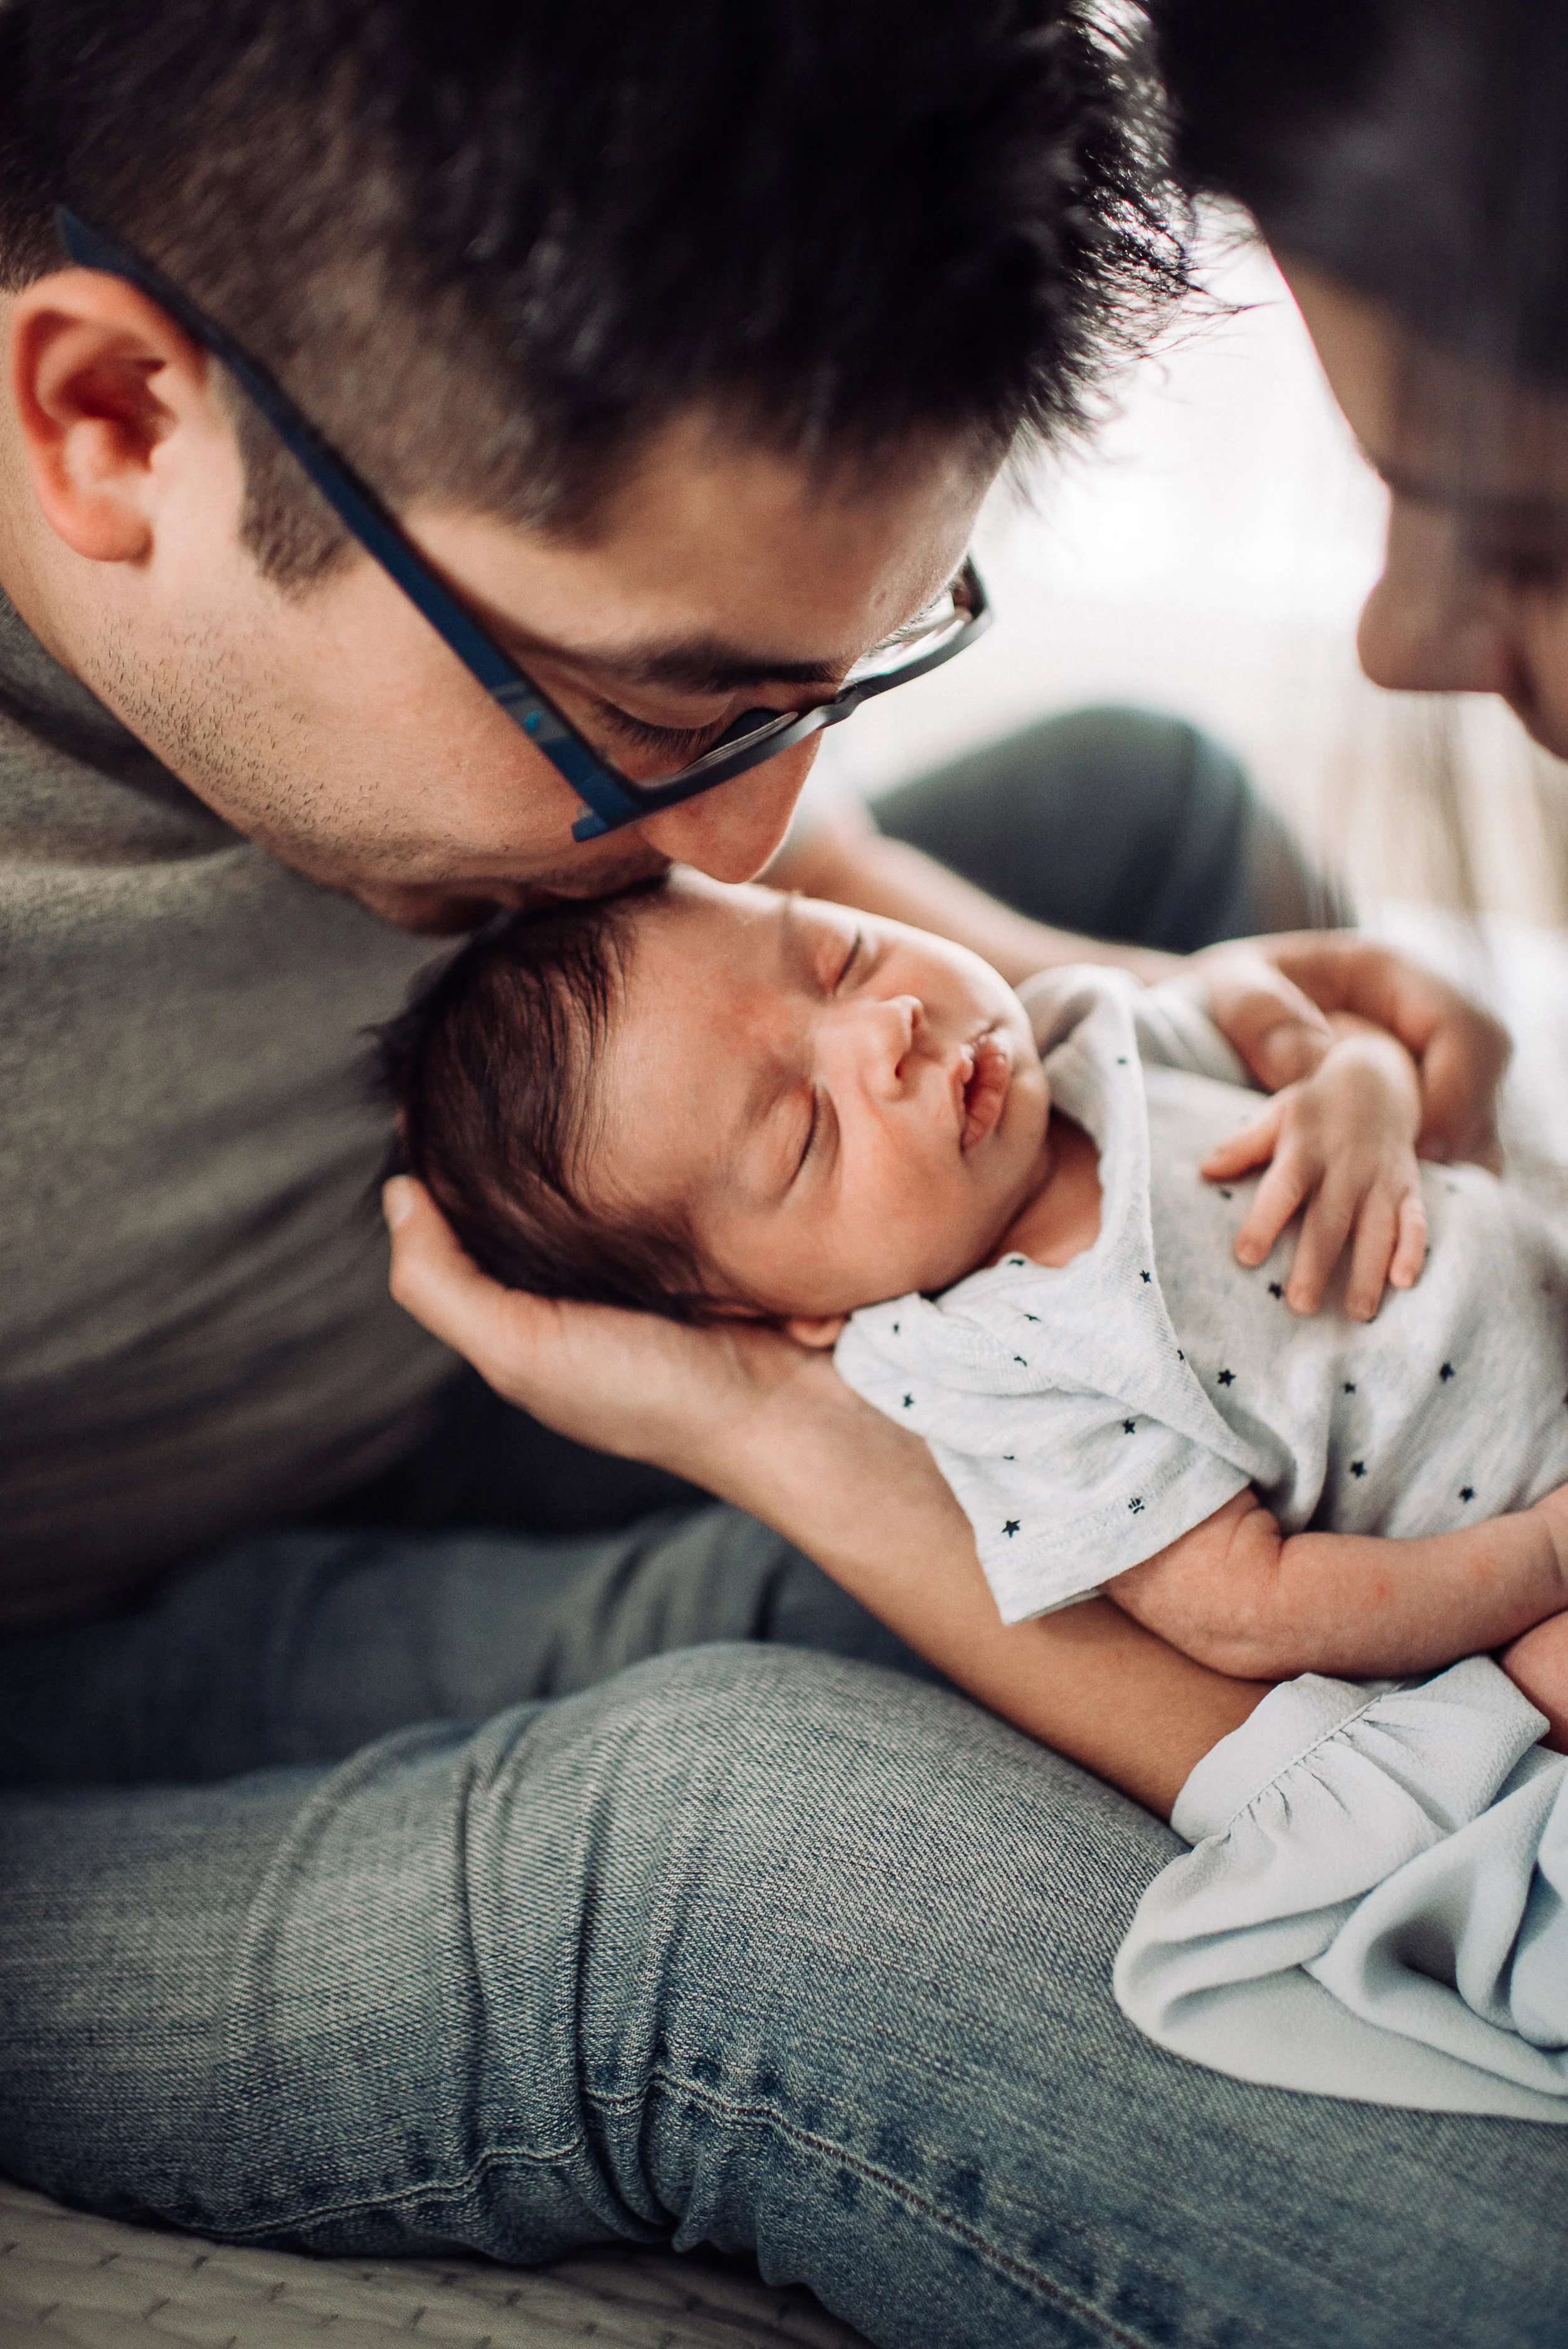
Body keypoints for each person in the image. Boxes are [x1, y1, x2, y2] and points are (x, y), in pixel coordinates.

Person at [0, 5, 1555, 2348]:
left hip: (510, 1318)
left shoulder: (531, 620)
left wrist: (1128, 1034)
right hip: (71, 1651)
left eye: (810, 698)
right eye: (652, 719)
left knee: (1141, 805)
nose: (733, 844)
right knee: (744, 1827)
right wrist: (781, 1435)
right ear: (111, 424)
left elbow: (785, 893)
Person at [389, 869, 1568, 1707]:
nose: (885, 1028)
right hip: (1512, 1529)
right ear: (783, 1313)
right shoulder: (994, 1369)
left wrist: (1363, 1090)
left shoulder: (1095, 1034)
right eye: (807, 1134)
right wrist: (1538, 1566)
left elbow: (1317, 1023)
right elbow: (1244, 1608)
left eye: (840, 955)